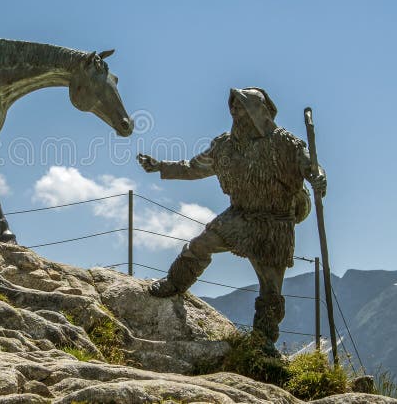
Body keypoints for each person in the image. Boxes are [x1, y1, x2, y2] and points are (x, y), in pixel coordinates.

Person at [137, 87, 327, 347]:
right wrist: (161, 166)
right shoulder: (225, 146)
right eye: (233, 106)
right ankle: (174, 282)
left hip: (276, 225)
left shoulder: (286, 143)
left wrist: (318, 177)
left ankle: (263, 343)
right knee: (201, 245)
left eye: (242, 105)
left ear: (259, 110)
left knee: (270, 289)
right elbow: (194, 168)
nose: (236, 111)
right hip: (240, 216)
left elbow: (311, 166)